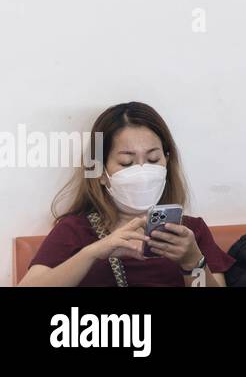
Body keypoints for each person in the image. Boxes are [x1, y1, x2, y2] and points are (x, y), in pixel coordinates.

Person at [19, 101, 234, 287]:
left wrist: (192, 262)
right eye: (127, 163)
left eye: (152, 160)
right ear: (100, 173)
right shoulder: (75, 230)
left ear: (167, 162)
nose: (142, 172)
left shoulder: (190, 232)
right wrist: (93, 253)